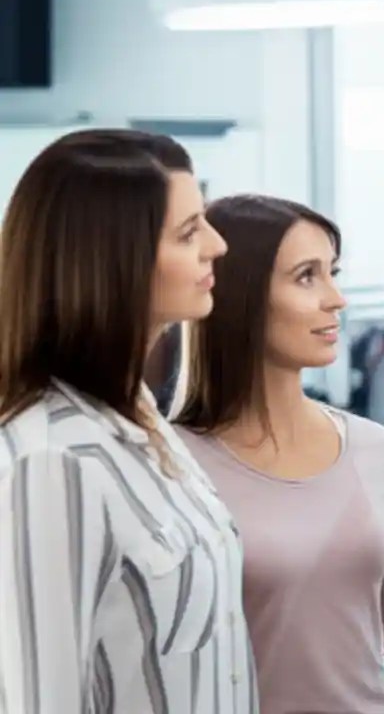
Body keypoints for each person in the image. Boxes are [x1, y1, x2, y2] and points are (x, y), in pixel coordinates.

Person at [0, 129, 252, 713]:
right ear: (114, 260)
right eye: (190, 232)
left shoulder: (141, 415)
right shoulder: (53, 462)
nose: (217, 246)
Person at [168, 194, 384, 714]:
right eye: (306, 276)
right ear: (241, 295)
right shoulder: (170, 466)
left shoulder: (376, 450)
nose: (336, 298)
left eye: (332, 272)